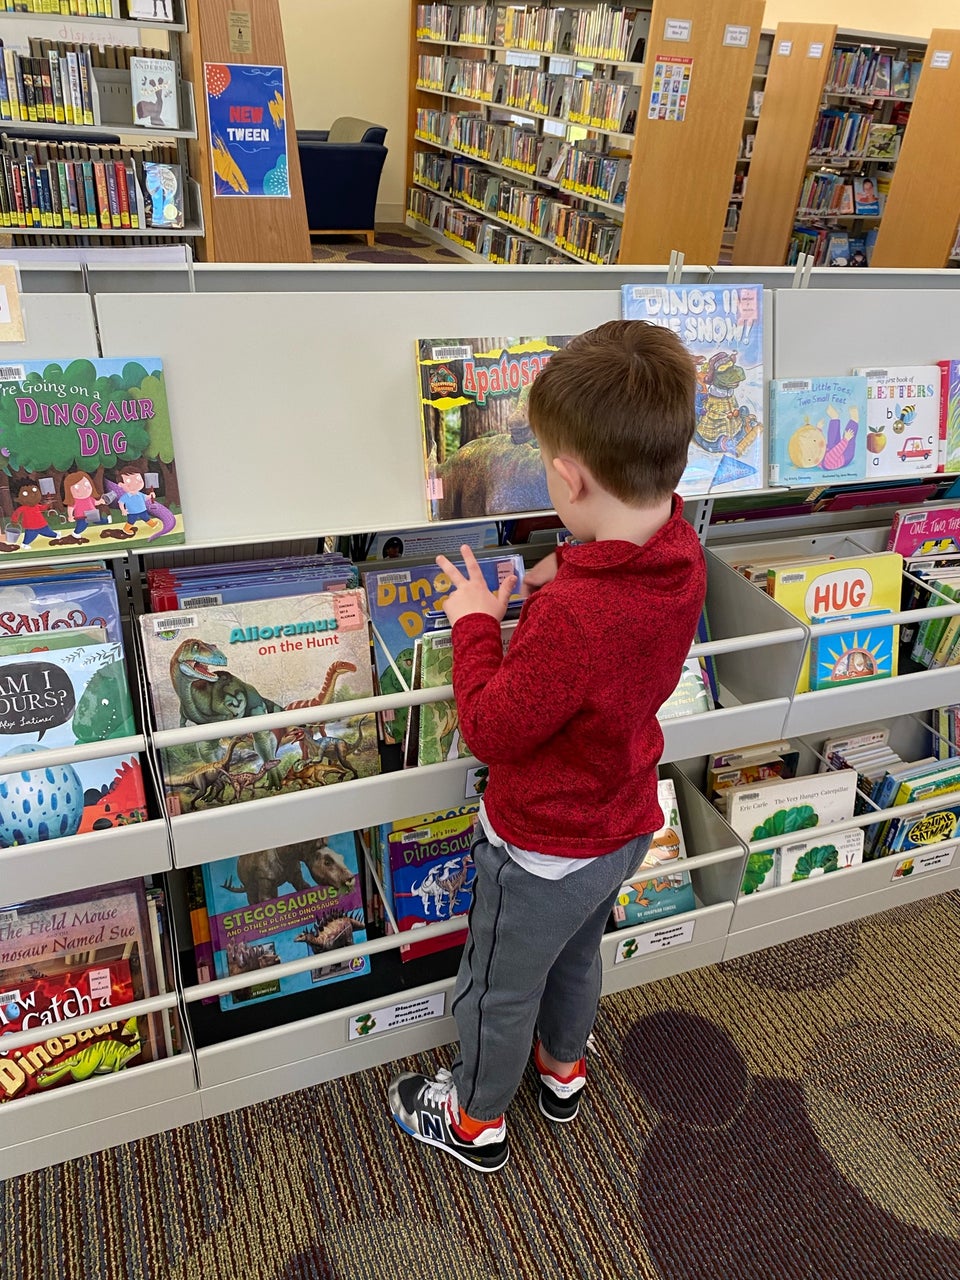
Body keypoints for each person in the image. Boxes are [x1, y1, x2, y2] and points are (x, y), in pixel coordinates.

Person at [388, 320, 707, 1172]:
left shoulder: (573, 620)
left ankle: (474, 1120)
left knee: (496, 986)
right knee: (578, 956)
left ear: (567, 477)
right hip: (624, 822)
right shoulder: (680, 549)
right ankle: (564, 1069)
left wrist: (475, 626)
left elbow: (492, 724)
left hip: (540, 850)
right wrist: (571, 565)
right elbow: (618, 580)